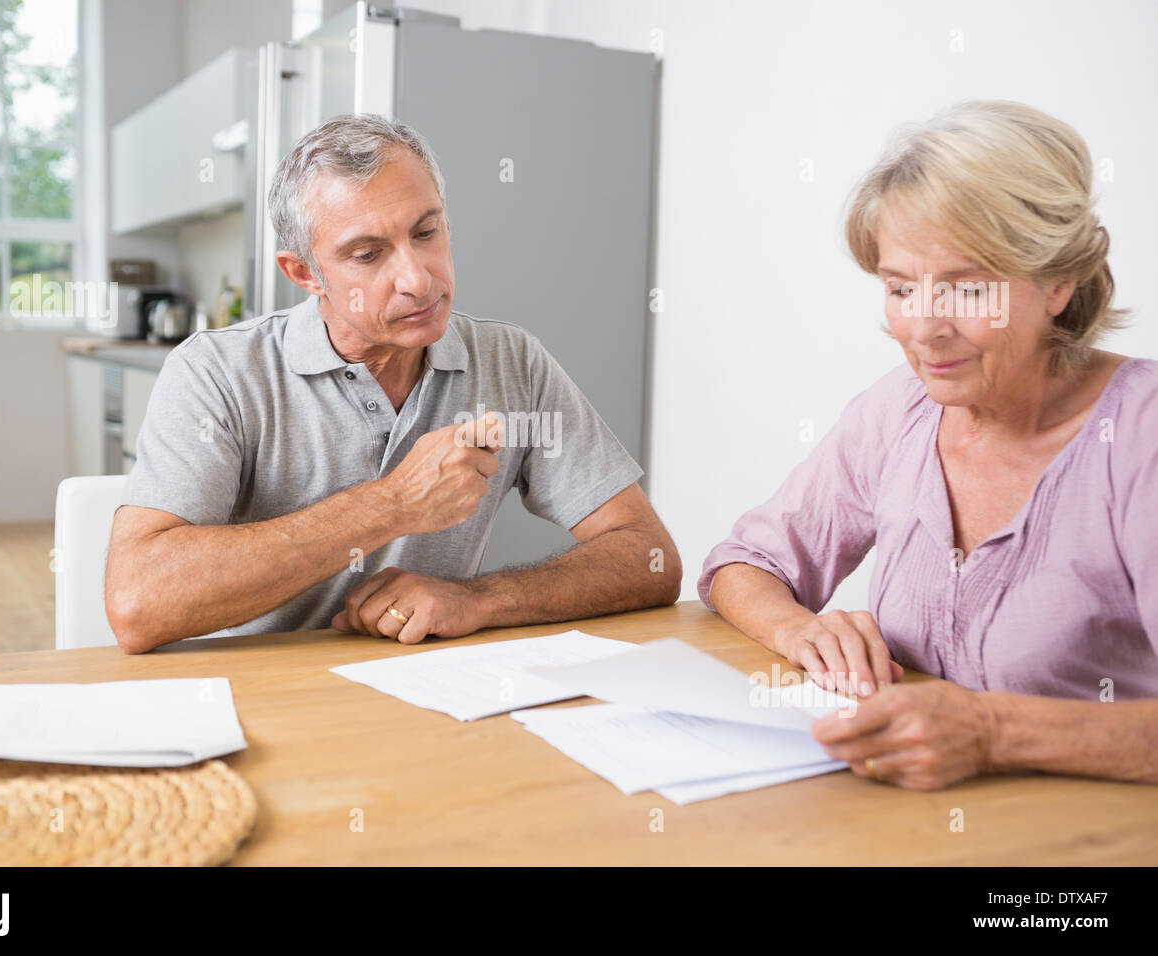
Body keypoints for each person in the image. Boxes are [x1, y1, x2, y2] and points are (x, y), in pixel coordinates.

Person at [699, 100, 1157, 790]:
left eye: (967, 289)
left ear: (1059, 281)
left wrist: (991, 732)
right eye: (900, 288)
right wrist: (800, 630)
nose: (924, 329)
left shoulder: (1139, 437)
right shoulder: (900, 409)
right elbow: (744, 563)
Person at [106, 114, 679, 653]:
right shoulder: (217, 372)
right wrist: (396, 503)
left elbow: (649, 556)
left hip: (428, 699)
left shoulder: (512, 361)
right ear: (305, 273)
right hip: (262, 702)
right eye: (368, 253)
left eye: (427, 232)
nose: (417, 279)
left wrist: (481, 598)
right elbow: (137, 604)